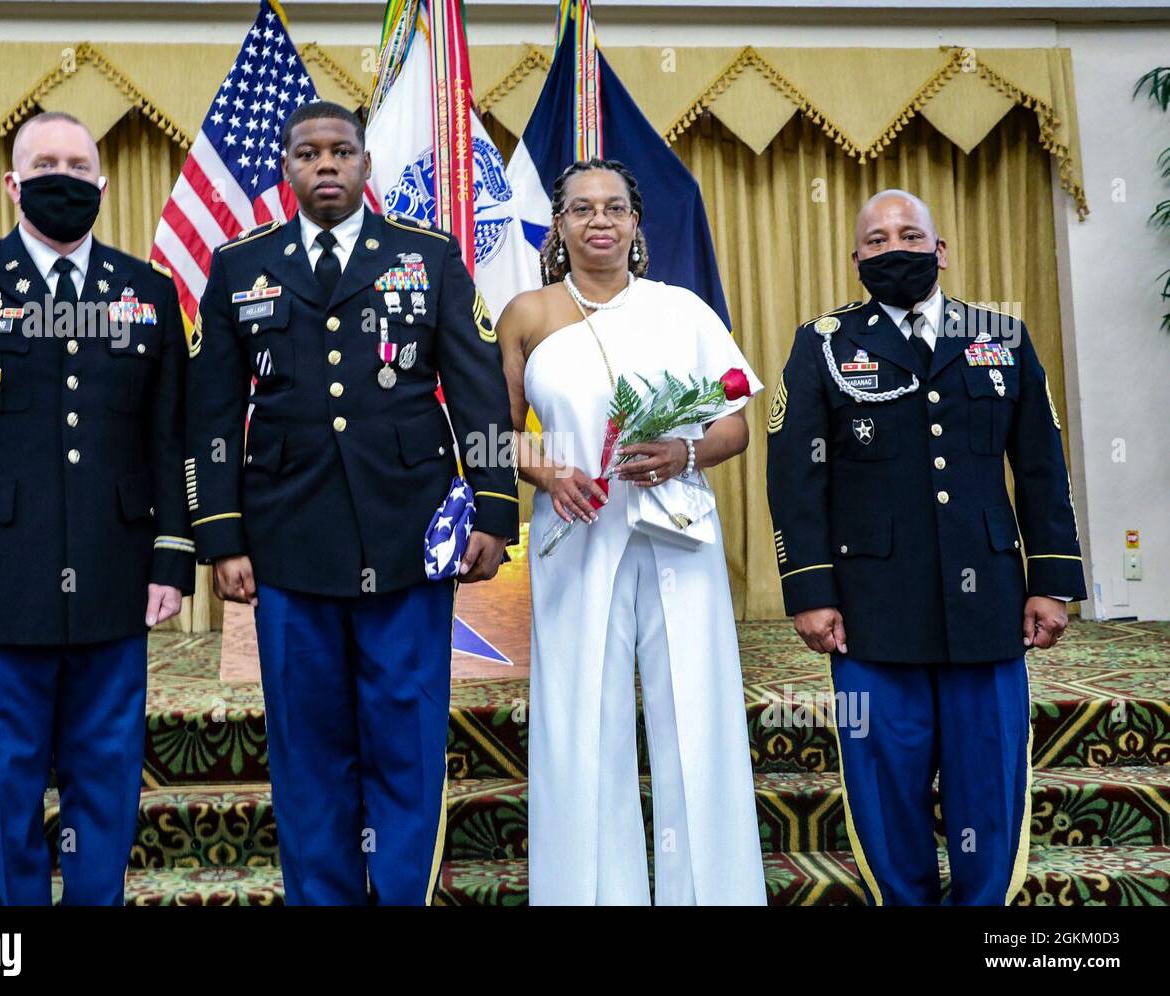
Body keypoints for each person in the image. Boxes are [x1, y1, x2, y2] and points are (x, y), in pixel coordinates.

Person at [185, 101, 518, 906]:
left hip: (408, 541)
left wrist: (496, 510)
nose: (325, 165)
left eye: (341, 152)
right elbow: (211, 412)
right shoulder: (240, 265)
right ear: (287, 168)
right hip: (288, 545)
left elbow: (480, 395)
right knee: (308, 752)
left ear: (366, 165)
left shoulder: (427, 256)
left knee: (406, 745)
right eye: (308, 154)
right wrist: (221, 535)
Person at [0, 111, 193, 905]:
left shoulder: (147, 292)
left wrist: (171, 558)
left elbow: (171, 442)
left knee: (107, 784)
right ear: (11, 183)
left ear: (103, 181)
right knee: (6, 787)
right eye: (44, 163)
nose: (64, 175)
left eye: (78, 163)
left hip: (115, 581)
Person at [765, 189, 1086, 906]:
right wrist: (810, 591)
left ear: (941, 250)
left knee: (989, 778)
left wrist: (1051, 579)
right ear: (856, 259)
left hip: (992, 608)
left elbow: (1041, 465)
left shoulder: (1000, 335)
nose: (894, 248)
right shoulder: (823, 343)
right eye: (876, 240)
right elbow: (795, 477)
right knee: (886, 782)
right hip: (873, 612)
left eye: (910, 235)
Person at [497, 159, 767, 905]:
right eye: (581, 209)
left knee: (696, 709)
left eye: (614, 207)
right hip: (574, 533)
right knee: (581, 718)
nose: (599, 221)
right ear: (558, 225)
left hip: (678, 531)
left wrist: (683, 451)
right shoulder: (526, 313)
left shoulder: (683, 309)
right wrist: (548, 472)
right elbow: (490, 435)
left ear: (636, 222)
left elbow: (735, 424)